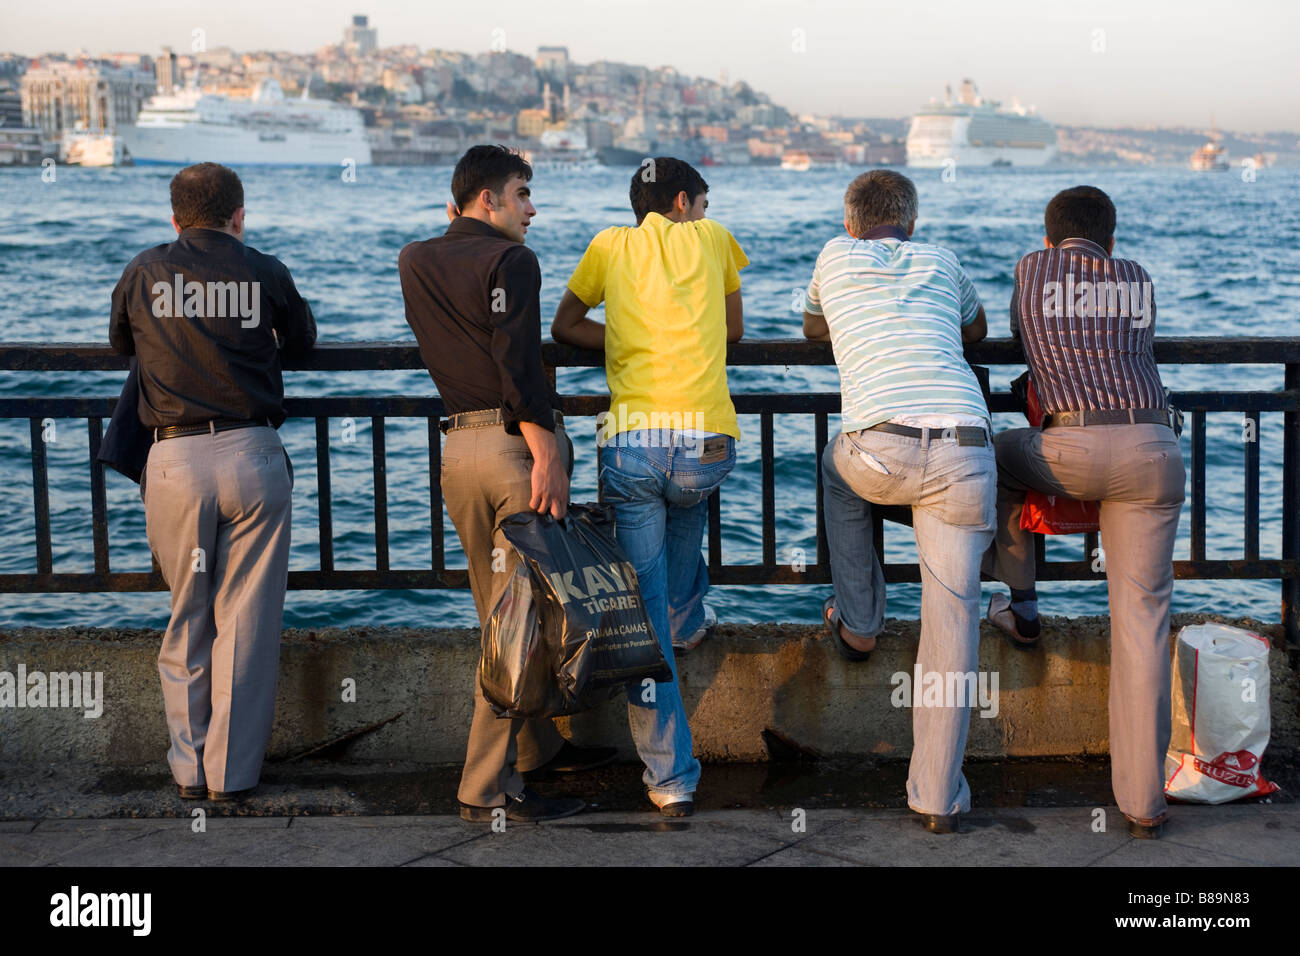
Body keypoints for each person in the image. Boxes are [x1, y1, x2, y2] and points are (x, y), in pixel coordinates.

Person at [398, 145, 614, 824]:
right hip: (512, 450)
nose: (532, 207)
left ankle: (536, 750)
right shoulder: (512, 262)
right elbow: (517, 357)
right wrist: (545, 445)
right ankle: (483, 789)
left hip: (457, 451)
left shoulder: (416, 259)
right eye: (522, 193)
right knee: (518, 627)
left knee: (499, 608)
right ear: (486, 200)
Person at [108, 162, 315, 801]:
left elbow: (121, 344)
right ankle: (231, 776)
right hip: (252, 454)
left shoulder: (146, 269)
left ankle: (188, 769)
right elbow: (303, 343)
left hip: (174, 461)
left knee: (186, 614)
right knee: (246, 622)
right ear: (239, 215)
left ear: (174, 219)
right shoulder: (265, 269)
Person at [983, 185, 1184, 839]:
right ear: (1114, 241)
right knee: (1144, 622)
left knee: (994, 457)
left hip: (1074, 448)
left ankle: (1022, 604)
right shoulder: (1139, 278)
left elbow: (1024, 334)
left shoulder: (1031, 270)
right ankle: (1145, 803)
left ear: (1048, 238)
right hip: (1156, 448)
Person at [551, 157, 746, 816]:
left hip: (633, 444)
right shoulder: (714, 239)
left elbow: (564, 325)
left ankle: (669, 780)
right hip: (708, 447)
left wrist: (628, 340)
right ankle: (692, 618)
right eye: (703, 202)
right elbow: (735, 331)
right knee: (685, 515)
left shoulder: (610, 244)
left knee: (645, 610)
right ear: (686, 201)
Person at [802, 169, 993, 834]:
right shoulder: (942, 260)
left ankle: (858, 620)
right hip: (966, 447)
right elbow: (978, 331)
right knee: (952, 622)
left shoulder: (833, 255)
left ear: (849, 222)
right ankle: (938, 797)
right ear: (910, 223)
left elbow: (810, 326)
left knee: (835, 466)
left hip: (878, 452)